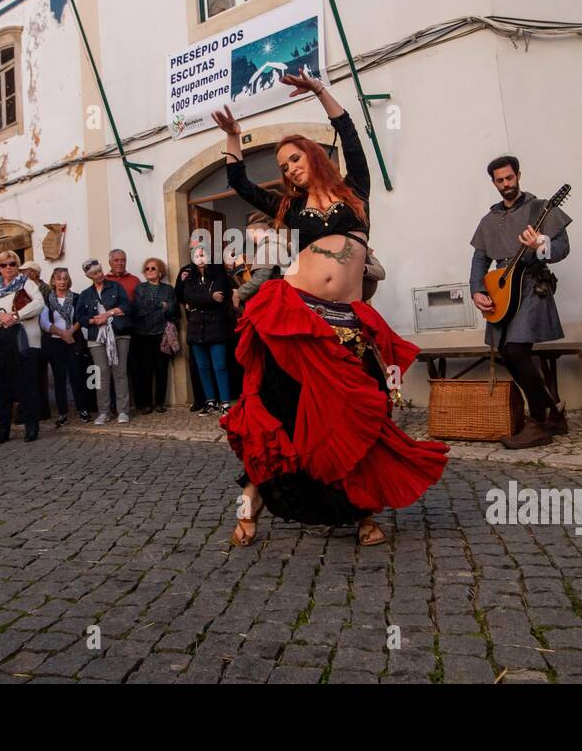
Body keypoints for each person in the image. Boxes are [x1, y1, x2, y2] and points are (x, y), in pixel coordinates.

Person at [215, 69, 449, 548]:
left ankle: (361, 512)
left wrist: (322, 91)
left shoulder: (354, 193)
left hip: (346, 323)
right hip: (294, 316)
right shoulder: (290, 209)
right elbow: (238, 182)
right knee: (282, 411)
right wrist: (234, 139)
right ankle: (252, 499)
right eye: (283, 166)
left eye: (295, 158)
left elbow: (351, 135)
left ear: (314, 156)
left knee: (358, 414)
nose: (289, 169)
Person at [469, 156, 572, 449]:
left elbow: (562, 248)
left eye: (510, 178)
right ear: (494, 183)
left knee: (516, 348)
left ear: (518, 176)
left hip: (531, 285)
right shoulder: (488, 220)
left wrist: (542, 245)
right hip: (502, 290)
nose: (506, 185)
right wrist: (477, 290)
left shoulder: (541, 209)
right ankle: (553, 410)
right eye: (500, 181)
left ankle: (537, 422)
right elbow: (479, 259)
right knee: (505, 350)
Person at [0, 250, 45, 443]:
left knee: (27, 385)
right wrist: (0, 316)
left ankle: (31, 428)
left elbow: (39, 304)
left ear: (17, 266)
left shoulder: (27, 283)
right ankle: (3, 430)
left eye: (12, 264)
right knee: (3, 387)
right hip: (1, 338)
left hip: (23, 337)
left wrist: (16, 316)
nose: (8, 268)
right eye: (3, 265)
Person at [175, 243, 234, 416]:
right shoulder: (188, 277)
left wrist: (200, 299)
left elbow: (220, 296)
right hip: (196, 327)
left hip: (216, 326)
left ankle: (225, 402)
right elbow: (188, 296)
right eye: (197, 255)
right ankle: (210, 401)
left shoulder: (218, 275)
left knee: (220, 365)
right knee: (202, 366)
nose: (201, 258)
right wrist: (209, 296)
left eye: (204, 254)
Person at [77, 258, 132, 425]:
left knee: (120, 372)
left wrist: (107, 315)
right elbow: (80, 317)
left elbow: (127, 306)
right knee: (101, 374)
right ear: (89, 276)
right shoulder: (86, 294)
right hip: (96, 336)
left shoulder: (115, 287)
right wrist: (94, 321)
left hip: (119, 334)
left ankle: (123, 411)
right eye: (94, 273)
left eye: (100, 271)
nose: (99, 275)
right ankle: (104, 412)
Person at [40, 267, 92, 426]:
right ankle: (62, 413)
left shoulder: (76, 298)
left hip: (73, 342)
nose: (62, 282)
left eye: (65, 279)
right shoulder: (47, 300)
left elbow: (80, 318)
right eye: (59, 279)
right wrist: (63, 334)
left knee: (76, 376)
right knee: (59, 379)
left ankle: (83, 409)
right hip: (55, 342)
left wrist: (70, 332)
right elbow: (44, 322)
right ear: (53, 281)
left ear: (69, 281)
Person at [131, 257, 179, 414]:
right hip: (143, 335)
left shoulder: (168, 289)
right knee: (145, 371)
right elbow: (139, 310)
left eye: (153, 268)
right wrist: (161, 305)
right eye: (147, 269)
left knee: (161, 370)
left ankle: (159, 402)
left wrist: (163, 308)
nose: (150, 271)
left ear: (160, 272)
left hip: (162, 335)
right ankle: (146, 403)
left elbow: (174, 310)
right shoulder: (140, 289)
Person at [21, 261, 53, 421]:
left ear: (34, 272)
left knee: (40, 374)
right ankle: (28, 409)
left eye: (25, 271)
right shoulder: (22, 288)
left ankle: (43, 410)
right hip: (27, 334)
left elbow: (48, 311)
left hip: (43, 334)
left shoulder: (46, 289)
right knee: (27, 374)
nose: (23, 274)